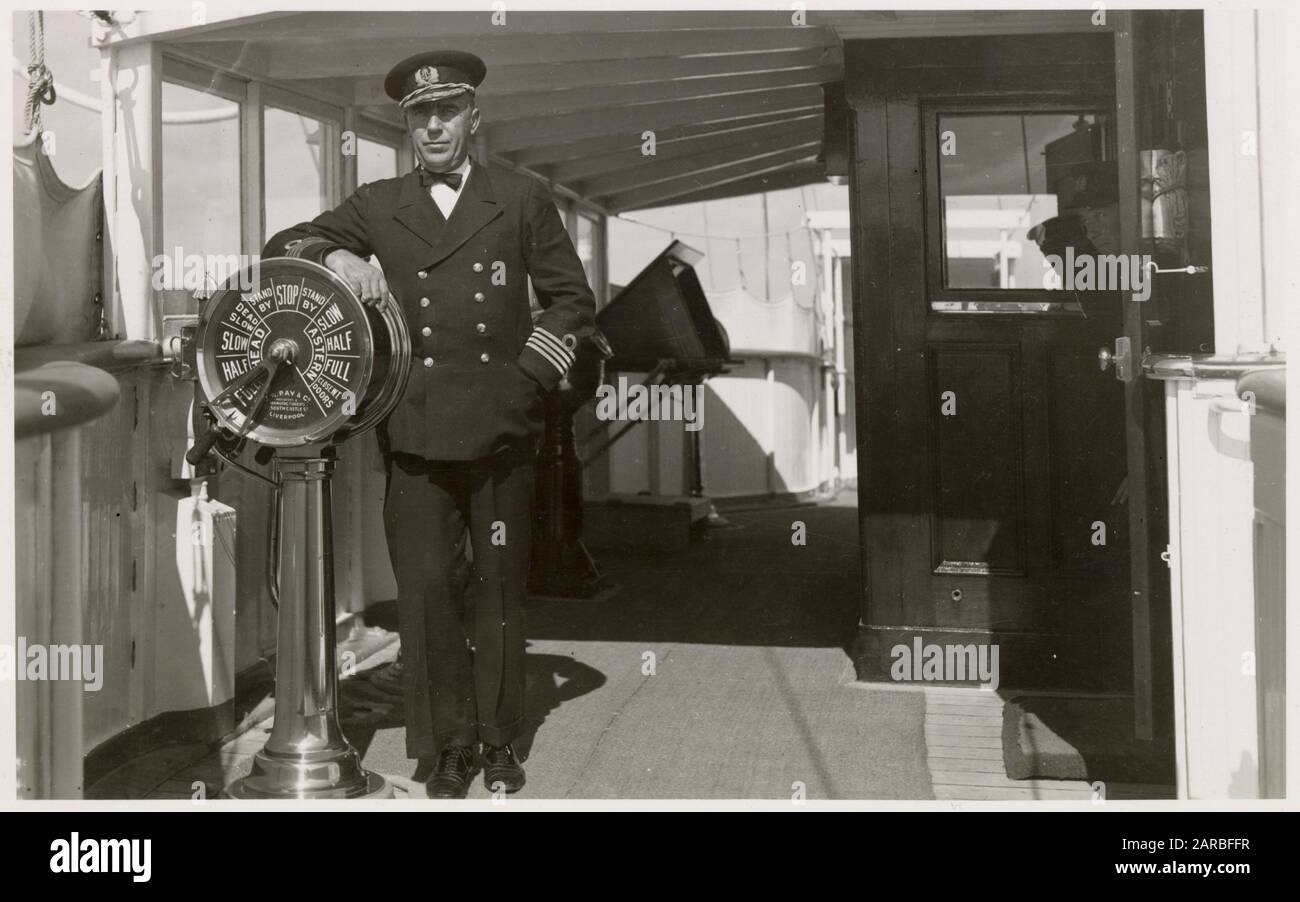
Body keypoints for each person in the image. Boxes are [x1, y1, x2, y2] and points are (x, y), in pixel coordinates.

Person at [263, 50, 597, 798]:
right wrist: (338, 256)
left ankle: (501, 741)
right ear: (407, 125)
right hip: (412, 434)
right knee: (427, 594)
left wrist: (529, 379)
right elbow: (283, 246)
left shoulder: (521, 197)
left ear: (474, 119)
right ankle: (447, 745)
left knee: (503, 589)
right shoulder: (379, 204)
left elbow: (573, 301)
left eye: (448, 111)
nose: (435, 125)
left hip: (505, 431)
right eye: (421, 114)